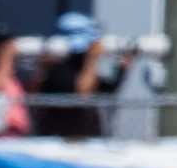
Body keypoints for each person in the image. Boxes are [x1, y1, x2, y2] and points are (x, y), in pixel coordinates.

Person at [32, 11, 126, 140]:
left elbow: (107, 89)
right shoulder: (58, 70)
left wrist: (123, 68)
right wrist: (92, 59)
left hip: (87, 138)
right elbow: (83, 93)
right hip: (60, 139)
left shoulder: (80, 66)